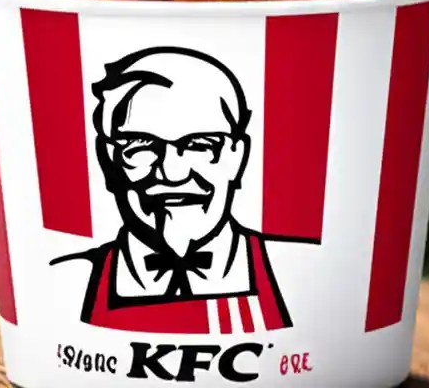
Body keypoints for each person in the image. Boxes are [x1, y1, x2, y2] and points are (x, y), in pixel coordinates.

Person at [53, 47, 289, 334]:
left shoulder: (298, 270)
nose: (173, 174)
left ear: (237, 157)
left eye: (201, 144)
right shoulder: (64, 280)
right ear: (107, 161)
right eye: (140, 146)